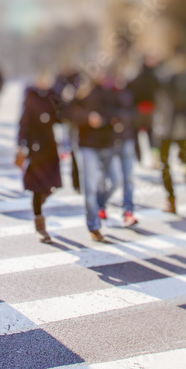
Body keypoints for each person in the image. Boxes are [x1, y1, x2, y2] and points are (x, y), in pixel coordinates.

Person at [72, 72, 118, 243]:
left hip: (108, 143)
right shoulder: (80, 91)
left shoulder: (112, 89)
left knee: (115, 181)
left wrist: (110, 119)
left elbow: (120, 109)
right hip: (87, 145)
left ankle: (99, 205)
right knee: (90, 186)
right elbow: (68, 112)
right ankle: (93, 225)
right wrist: (87, 118)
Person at [17, 70, 62, 243]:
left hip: (50, 145)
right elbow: (23, 121)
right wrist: (20, 143)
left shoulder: (53, 96)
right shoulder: (30, 96)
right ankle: (40, 225)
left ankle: (42, 201)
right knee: (37, 187)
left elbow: (61, 117)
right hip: (35, 146)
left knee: (52, 184)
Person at [154, 52, 186, 214]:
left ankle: (171, 199)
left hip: (167, 127)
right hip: (184, 127)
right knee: (184, 160)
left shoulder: (167, 77)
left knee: (165, 164)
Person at [108, 62, 139, 227]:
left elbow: (133, 112)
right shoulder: (105, 92)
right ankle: (100, 205)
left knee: (128, 177)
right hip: (108, 141)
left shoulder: (129, 90)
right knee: (111, 179)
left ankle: (128, 211)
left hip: (126, 138)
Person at [129, 54, 160, 166]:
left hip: (139, 110)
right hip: (149, 110)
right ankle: (153, 157)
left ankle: (139, 158)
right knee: (150, 136)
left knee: (137, 135)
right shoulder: (155, 76)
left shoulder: (138, 75)